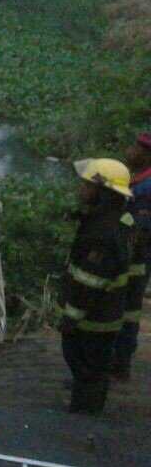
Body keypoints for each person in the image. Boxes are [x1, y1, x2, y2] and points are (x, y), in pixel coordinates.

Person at [60, 158, 135, 414]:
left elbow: (91, 281)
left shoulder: (103, 233)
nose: (81, 189)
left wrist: (72, 317)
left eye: (87, 185)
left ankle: (85, 418)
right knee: (89, 367)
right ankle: (85, 403)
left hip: (93, 319)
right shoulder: (110, 220)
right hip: (102, 315)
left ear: (103, 192)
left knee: (89, 369)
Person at [114, 133, 151, 380]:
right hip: (129, 257)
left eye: (135, 148)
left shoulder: (147, 187)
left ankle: (119, 364)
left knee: (125, 311)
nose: (129, 151)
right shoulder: (136, 179)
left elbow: (139, 227)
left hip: (134, 260)